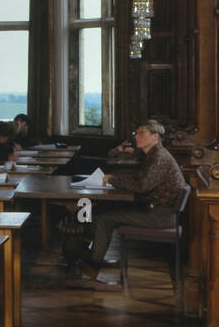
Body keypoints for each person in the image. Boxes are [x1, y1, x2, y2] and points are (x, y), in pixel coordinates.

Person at [77, 120, 187, 284]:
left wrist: (113, 179)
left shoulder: (159, 157)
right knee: (102, 208)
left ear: (155, 137)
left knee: (104, 218)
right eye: (136, 132)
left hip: (161, 216)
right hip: (158, 210)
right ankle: (89, 251)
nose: (136, 136)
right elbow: (139, 179)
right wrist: (114, 179)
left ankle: (92, 264)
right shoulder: (153, 154)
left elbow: (142, 186)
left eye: (141, 133)